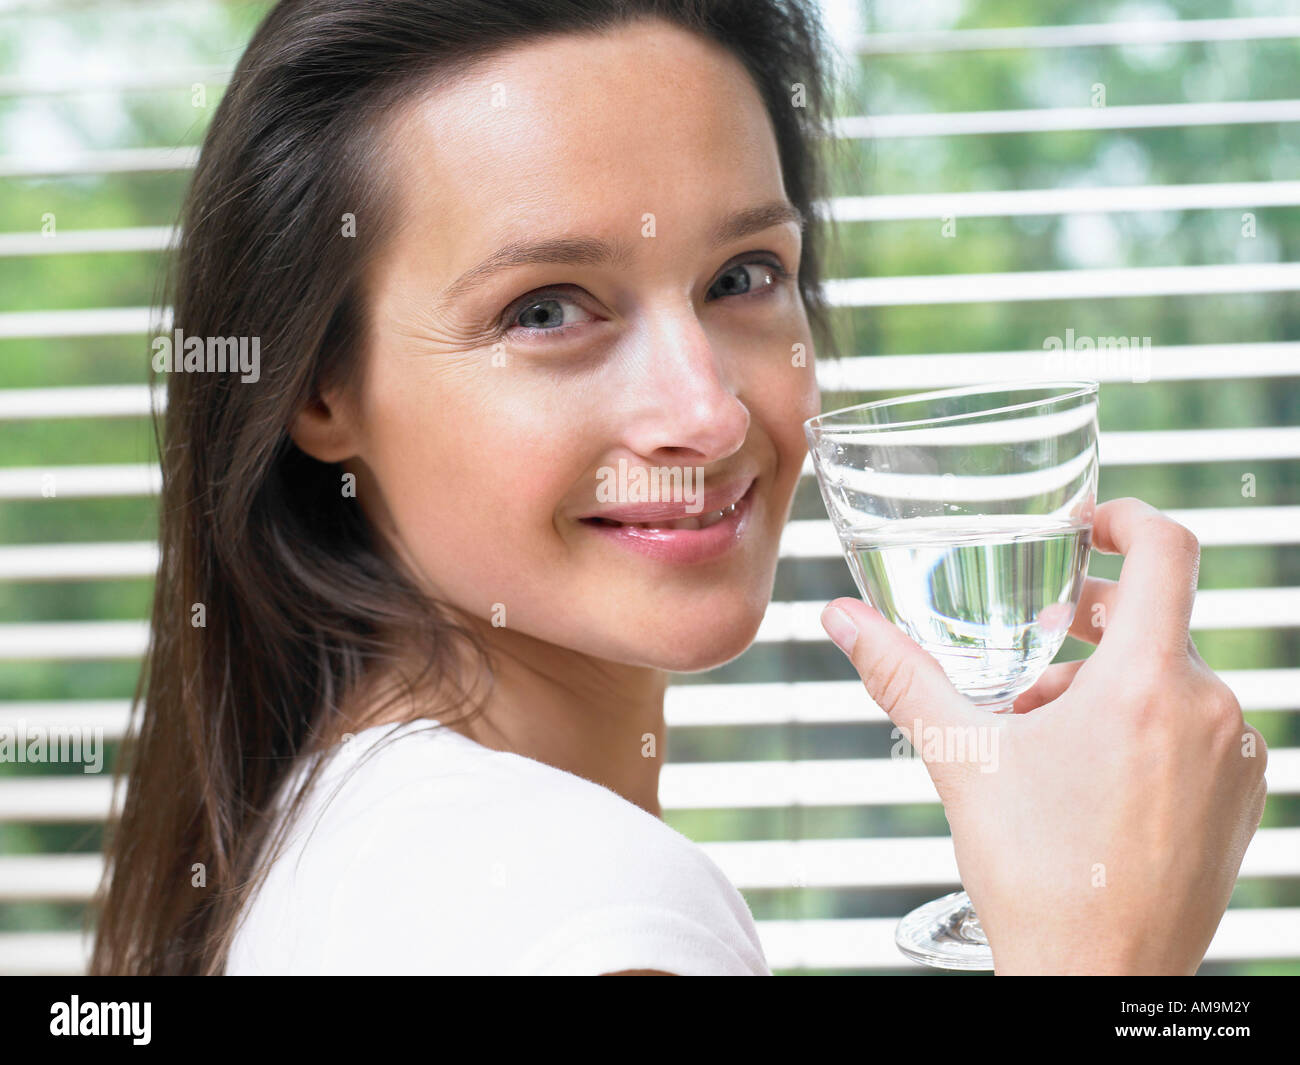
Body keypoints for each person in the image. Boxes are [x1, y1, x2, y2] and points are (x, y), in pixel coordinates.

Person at [89, 0, 1267, 976]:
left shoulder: (351, 837)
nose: (707, 411)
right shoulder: (581, 905)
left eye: (742, 275)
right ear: (319, 389)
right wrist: (1103, 953)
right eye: (546, 309)